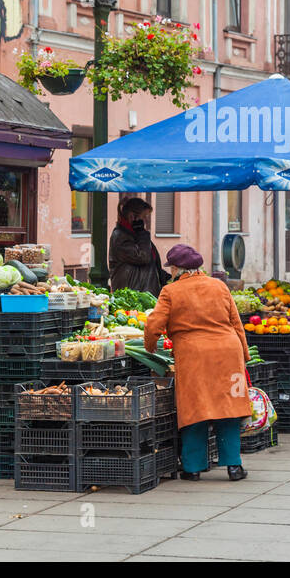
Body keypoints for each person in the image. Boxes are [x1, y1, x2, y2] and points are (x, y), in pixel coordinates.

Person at [143, 243, 250, 481]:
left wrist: (150, 348)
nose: (170, 272)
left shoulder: (171, 291)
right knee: (229, 409)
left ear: (178, 268)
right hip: (228, 353)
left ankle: (192, 468)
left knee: (194, 409)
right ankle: (234, 466)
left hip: (194, 356)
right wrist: (244, 355)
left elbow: (153, 325)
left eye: (171, 267)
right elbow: (236, 323)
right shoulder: (219, 286)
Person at [108, 197, 168, 295]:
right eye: (144, 216)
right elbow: (143, 257)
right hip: (133, 297)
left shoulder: (137, 235)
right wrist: (143, 233)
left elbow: (151, 265)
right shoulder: (120, 237)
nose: (146, 221)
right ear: (132, 216)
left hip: (144, 293)